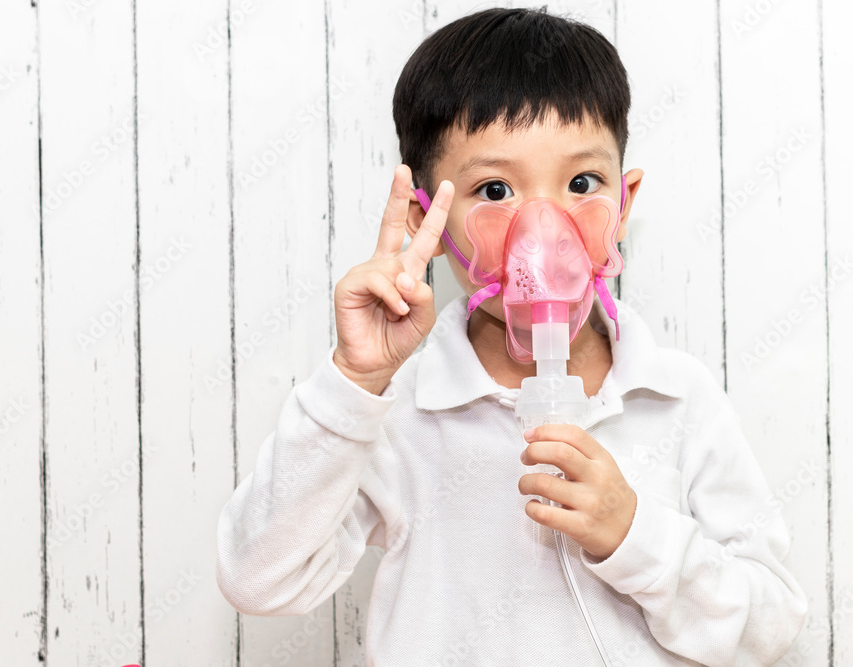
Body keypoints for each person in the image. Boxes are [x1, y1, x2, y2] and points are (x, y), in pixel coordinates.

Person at [215, 7, 807, 665]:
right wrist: (355, 383)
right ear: (429, 221)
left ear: (624, 203)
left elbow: (770, 622)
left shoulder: (676, 400)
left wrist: (632, 533)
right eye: (495, 189)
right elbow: (259, 577)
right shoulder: (400, 414)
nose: (544, 229)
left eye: (582, 183)